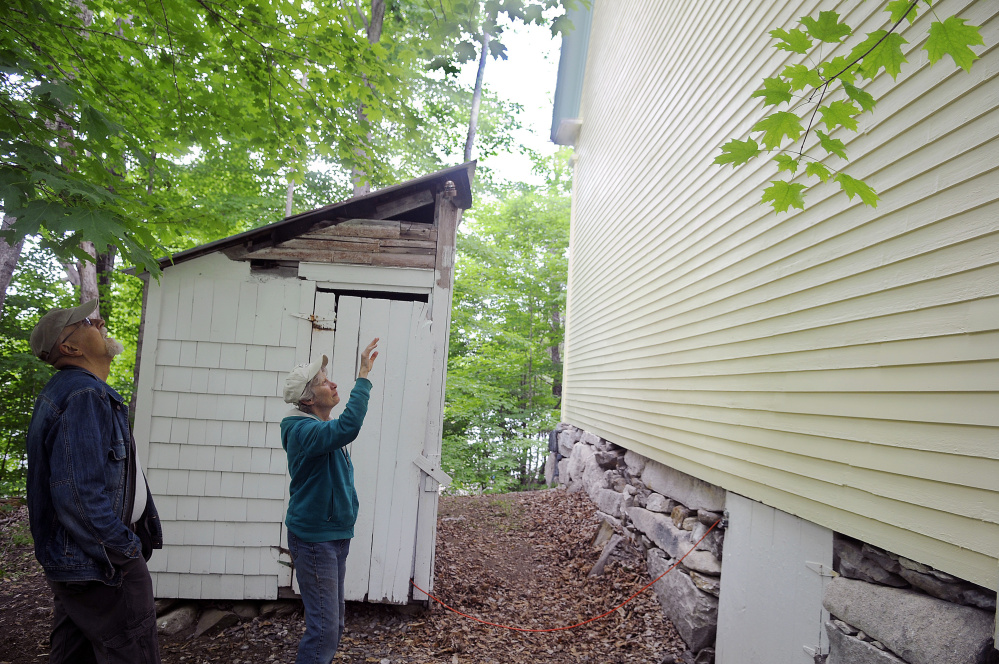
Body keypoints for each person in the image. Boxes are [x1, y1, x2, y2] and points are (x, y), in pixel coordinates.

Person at [25, 298, 163, 663]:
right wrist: (125, 552)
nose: (99, 323)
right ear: (69, 347)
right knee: (132, 652)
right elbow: (78, 494)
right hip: (100, 564)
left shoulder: (74, 391)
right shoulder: (84, 394)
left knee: (74, 655)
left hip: (82, 562)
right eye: (88, 321)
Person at [281, 338, 379, 664]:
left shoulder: (320, 426)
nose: (333, 383)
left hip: (334, 536)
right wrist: (363, 377)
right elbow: (348, 427)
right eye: (324, 382)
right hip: (314, 540)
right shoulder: (301, 430)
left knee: (332, 624)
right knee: (323, 629)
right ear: (308, 399)